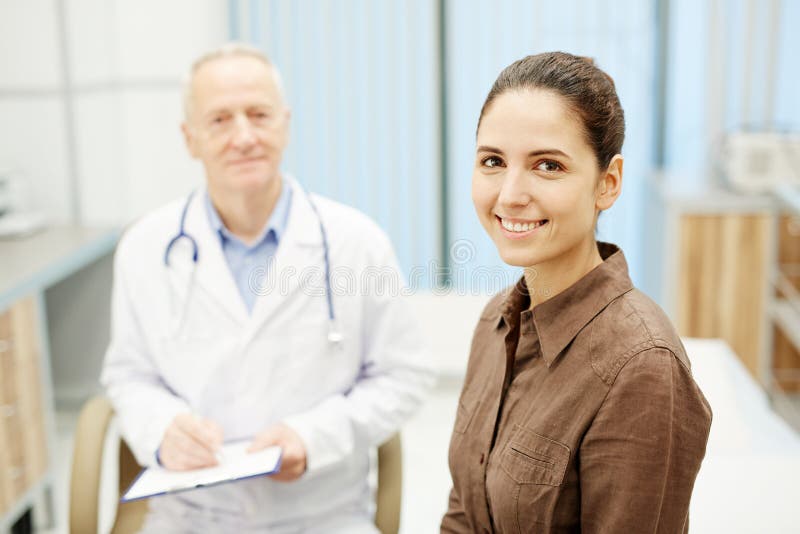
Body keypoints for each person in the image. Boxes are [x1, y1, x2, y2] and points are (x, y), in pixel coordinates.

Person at [101, 43, 434, 533]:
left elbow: (405, 375)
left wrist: (314, 436)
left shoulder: (356, 242)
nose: (244, 136)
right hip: (190, 515)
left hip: (322, 514)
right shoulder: (145, 247)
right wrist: (162, 428)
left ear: (285, 123)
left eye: (259, 114)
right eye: (219, 120)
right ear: (189, 137)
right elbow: (129, 375)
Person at [441, 52, 712, 533]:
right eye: (493, 161)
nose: (509, 194)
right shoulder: (494, 323)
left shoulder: (643, 369)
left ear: (607, 184)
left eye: (547, 165)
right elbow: (464, 512)